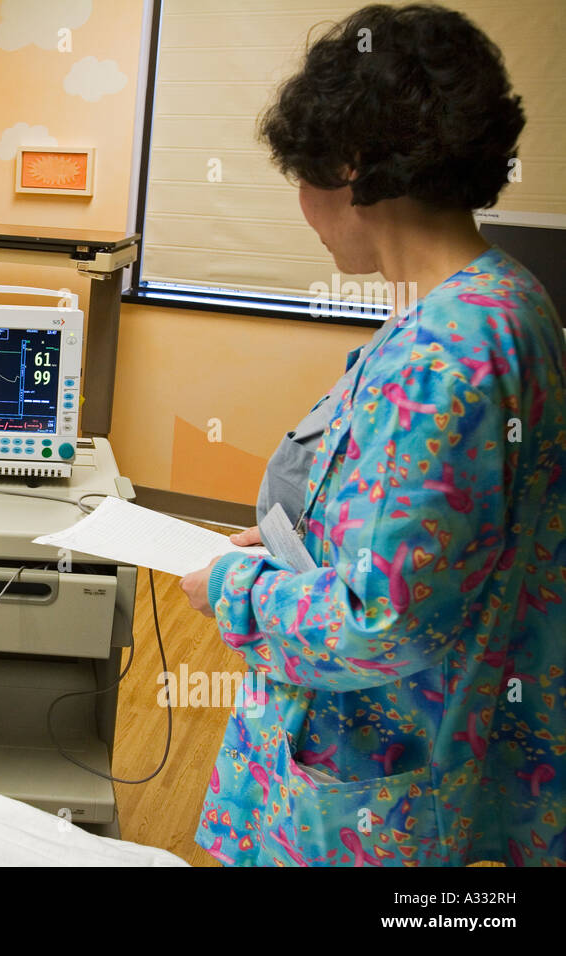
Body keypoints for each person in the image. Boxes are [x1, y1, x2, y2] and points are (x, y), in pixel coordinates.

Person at [179, 3, 565, 866]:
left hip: (388, 793)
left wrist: (236, 587)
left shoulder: (441, 358)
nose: (304, 207)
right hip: (459, 750)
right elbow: (440, 547)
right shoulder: (507, 301)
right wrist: (292, 547)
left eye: (303, 178)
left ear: (350, 168)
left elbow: (378, 622)